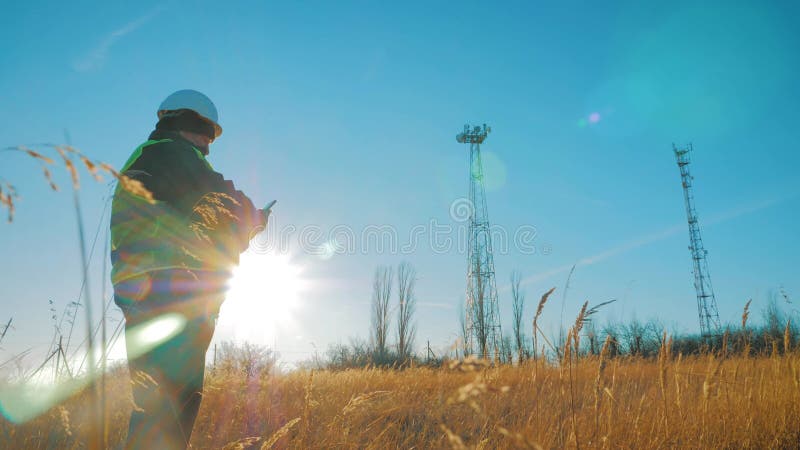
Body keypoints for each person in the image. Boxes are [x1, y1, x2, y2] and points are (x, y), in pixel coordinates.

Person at [110, 89, 264, 449]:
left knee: (155, 404)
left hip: (146, 289)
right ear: (184, 123)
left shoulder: (148, 159)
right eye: (205, 132)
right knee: (174, 403)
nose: (207, 144)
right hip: (170, 289)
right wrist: (255, 218)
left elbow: (203, 224)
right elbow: (224, 200)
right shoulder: (172, 154)